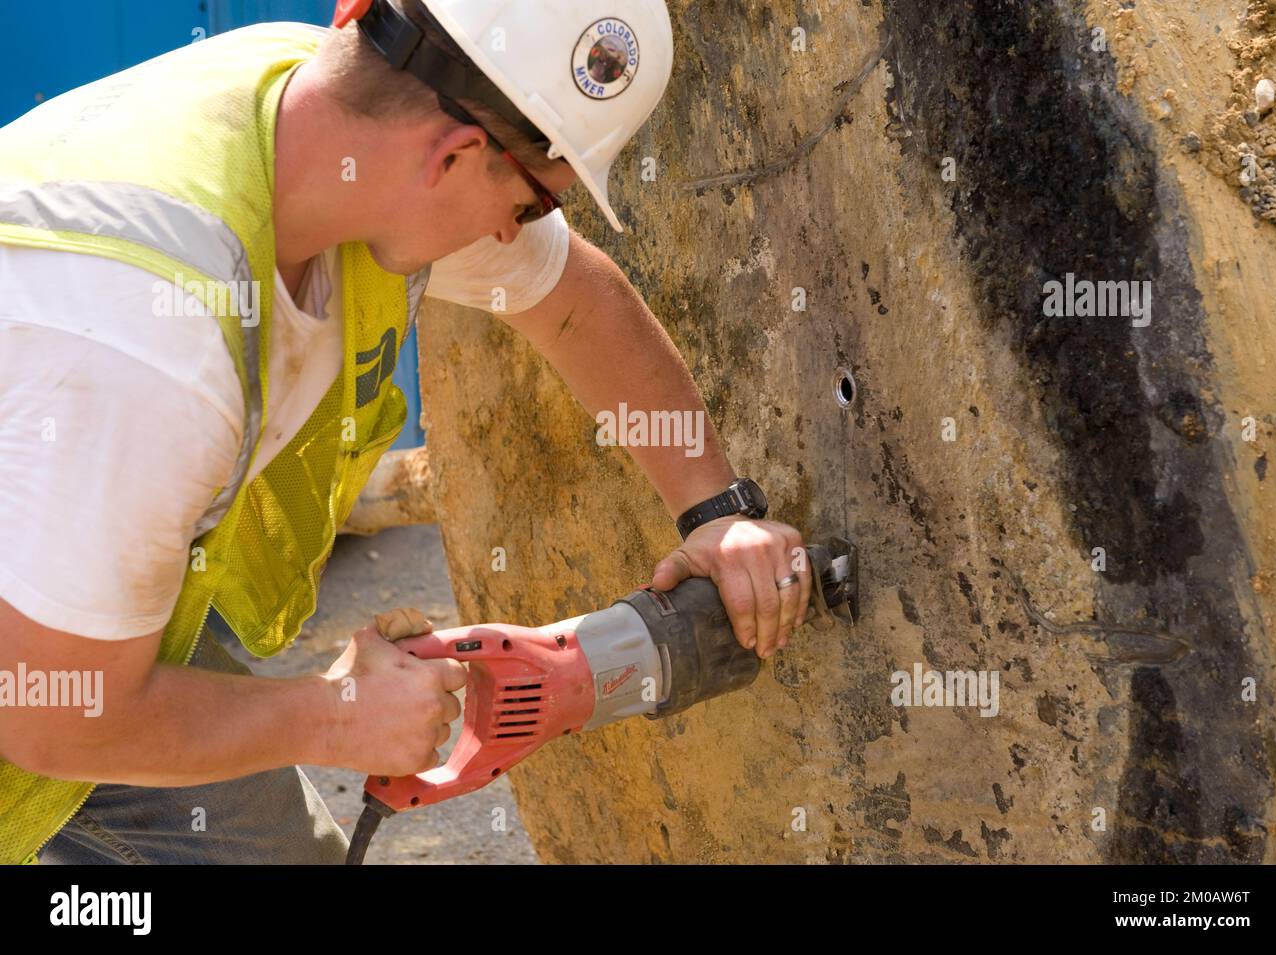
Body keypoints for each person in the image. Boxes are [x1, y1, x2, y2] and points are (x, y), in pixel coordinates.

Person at [0, 0, 811, 864]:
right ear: (457, 155)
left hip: (69, 604)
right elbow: (55, 716)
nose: (512, 232)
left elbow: (574, 301)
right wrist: (333, 714)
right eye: (532, 204)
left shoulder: (316, 112)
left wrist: (716, 509)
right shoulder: (147, 343)